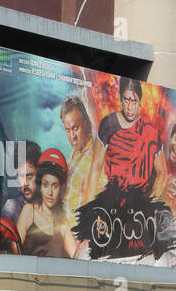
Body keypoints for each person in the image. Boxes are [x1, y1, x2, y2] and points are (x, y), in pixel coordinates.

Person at [98, 78, 165, 198]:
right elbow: (95, 168)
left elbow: (163, 172)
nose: (130, 107)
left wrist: (150, 203)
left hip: (139, 203)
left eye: (134, 101)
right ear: (120, 99)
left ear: (140, 101)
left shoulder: (150, 131)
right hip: (112, 200)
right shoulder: (109, 124)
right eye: (126, 100)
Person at [17, 149, 80, 258]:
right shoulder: (28, 211)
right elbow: (14, 251)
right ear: (40, 186)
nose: (50, 192)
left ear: (61, 189)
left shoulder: (62, 225)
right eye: (45, 185)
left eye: (55, 186)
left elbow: (78, 257)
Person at [59, 97, 107, 228]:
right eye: (68, 130)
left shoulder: (97, 155)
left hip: (79, 235)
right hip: (62, 233)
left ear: (85, 123)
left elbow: (101, 203)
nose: (72, 136)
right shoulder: (73, 154)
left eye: (75, 128)